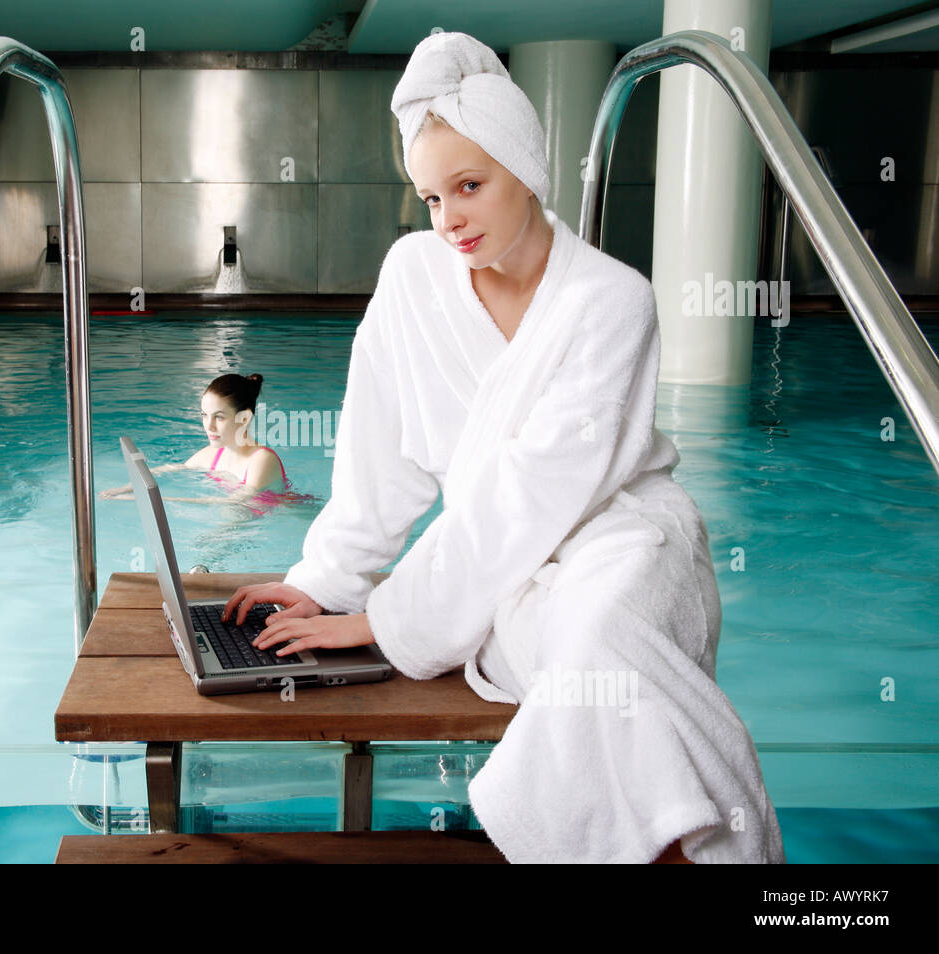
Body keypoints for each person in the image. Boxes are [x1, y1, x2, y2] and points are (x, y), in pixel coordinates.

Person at [222, 31, 785, 864]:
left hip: (621, 535)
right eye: (430, 197)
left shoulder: (611, 301)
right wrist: (327, 585)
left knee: (603, 649)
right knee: (608, 689)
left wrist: (386, 621)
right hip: (502, 572)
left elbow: (532, 493)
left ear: (526, 167)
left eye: (470, 186)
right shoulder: (413, 278)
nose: (448, 219)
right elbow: (379, 461)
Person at [100, 373, 290, 509]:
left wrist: (156, 499)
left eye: (219, 417)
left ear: (244, 418)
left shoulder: (261, 460)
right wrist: (123, 489)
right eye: (204, 415)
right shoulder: (214, 453)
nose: (209, 426)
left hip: (289, 517)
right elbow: (172, 469)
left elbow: (233, 502)